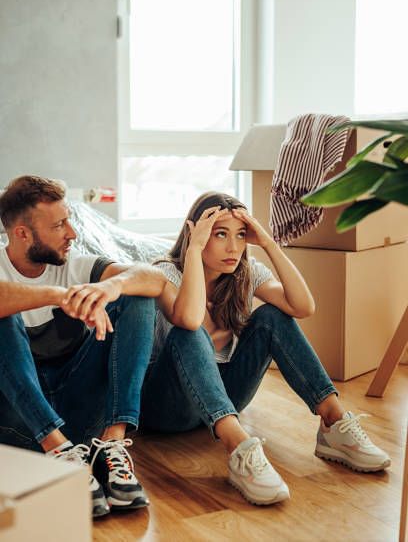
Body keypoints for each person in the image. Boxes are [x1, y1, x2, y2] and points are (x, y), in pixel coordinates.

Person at [139, 191, 391, 506]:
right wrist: (195, 250)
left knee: (272, 315)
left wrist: (269, 244)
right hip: (167, 408)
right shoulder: (167, 273)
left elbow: (303, 307)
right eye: (220, 235)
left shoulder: (245, 272)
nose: (233, 247)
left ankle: (333, 422)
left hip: (228, 396)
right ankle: (238, 448)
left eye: (241, 235)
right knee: (189, 334)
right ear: (197, 234)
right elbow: (189, 320)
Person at [0, 175, 168, 517]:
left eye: (70, 221)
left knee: (136, 297)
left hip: (77, 413)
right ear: (22, 234)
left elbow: (155, 279)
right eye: (60, 225)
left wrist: (113, 287)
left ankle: (113, 445)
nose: (72, 233)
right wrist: (57, 296)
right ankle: (58, 453)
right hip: (16, 421)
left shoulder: (76, 264)